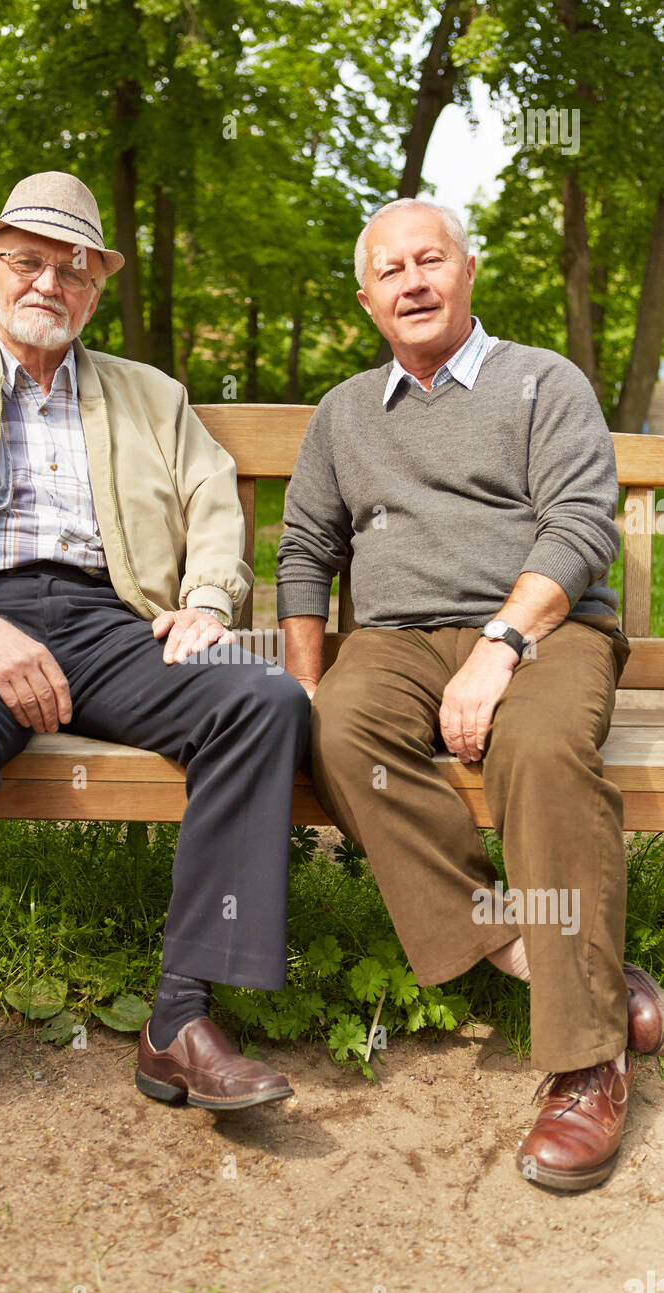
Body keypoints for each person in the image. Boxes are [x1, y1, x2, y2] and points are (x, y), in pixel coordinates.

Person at [0, 171, 310, 1147]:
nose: (47, 281)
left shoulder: (150, 395)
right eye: (26, 260)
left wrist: (208, 601)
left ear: (95, 287)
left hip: (111, 623)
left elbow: (213, 503)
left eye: (71, 266)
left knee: (261, 698)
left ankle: (177, 1016)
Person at [276, 196, 664, 1192]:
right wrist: (299, 697)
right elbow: (305, 554)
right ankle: (534, 944)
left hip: (543, 628)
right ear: (365, 299)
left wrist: (498, 646)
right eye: (389, 270)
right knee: (338, 726)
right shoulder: (343, 415)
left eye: (428, 260)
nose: (411, 281)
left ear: (467, 270)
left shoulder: (542, 382)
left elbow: (580, 528)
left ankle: (586, 1063)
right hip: (397, 640)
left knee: (537, 751)